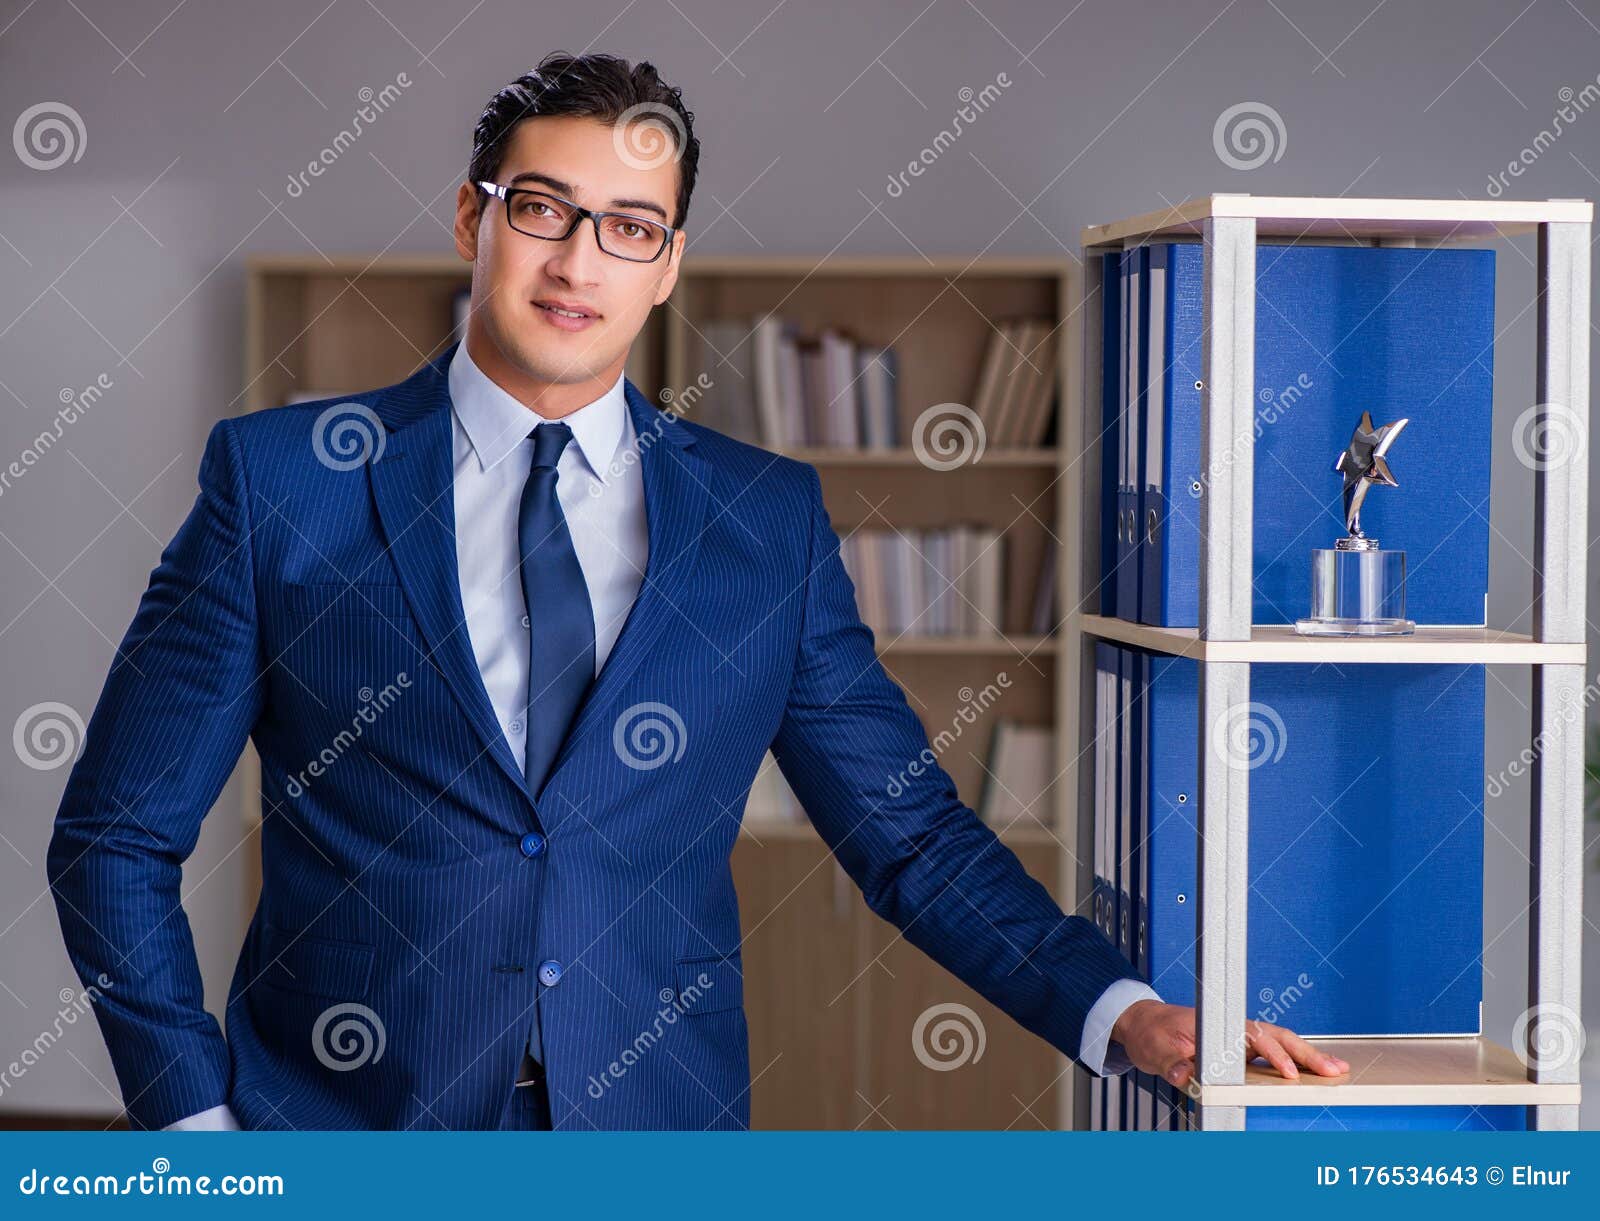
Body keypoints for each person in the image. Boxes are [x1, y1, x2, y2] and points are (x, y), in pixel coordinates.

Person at [46, 51, 1346, 1132]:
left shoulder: (761, 521)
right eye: (541, 208)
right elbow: (114, 835)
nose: (577, 262)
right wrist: (192, 1133)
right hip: (337, 1133)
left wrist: (1127, 1012)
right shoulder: (288, 484)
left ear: (666, 263)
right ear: (472, 218)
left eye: (628, 227)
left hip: (656, 1133)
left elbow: (910, 838)